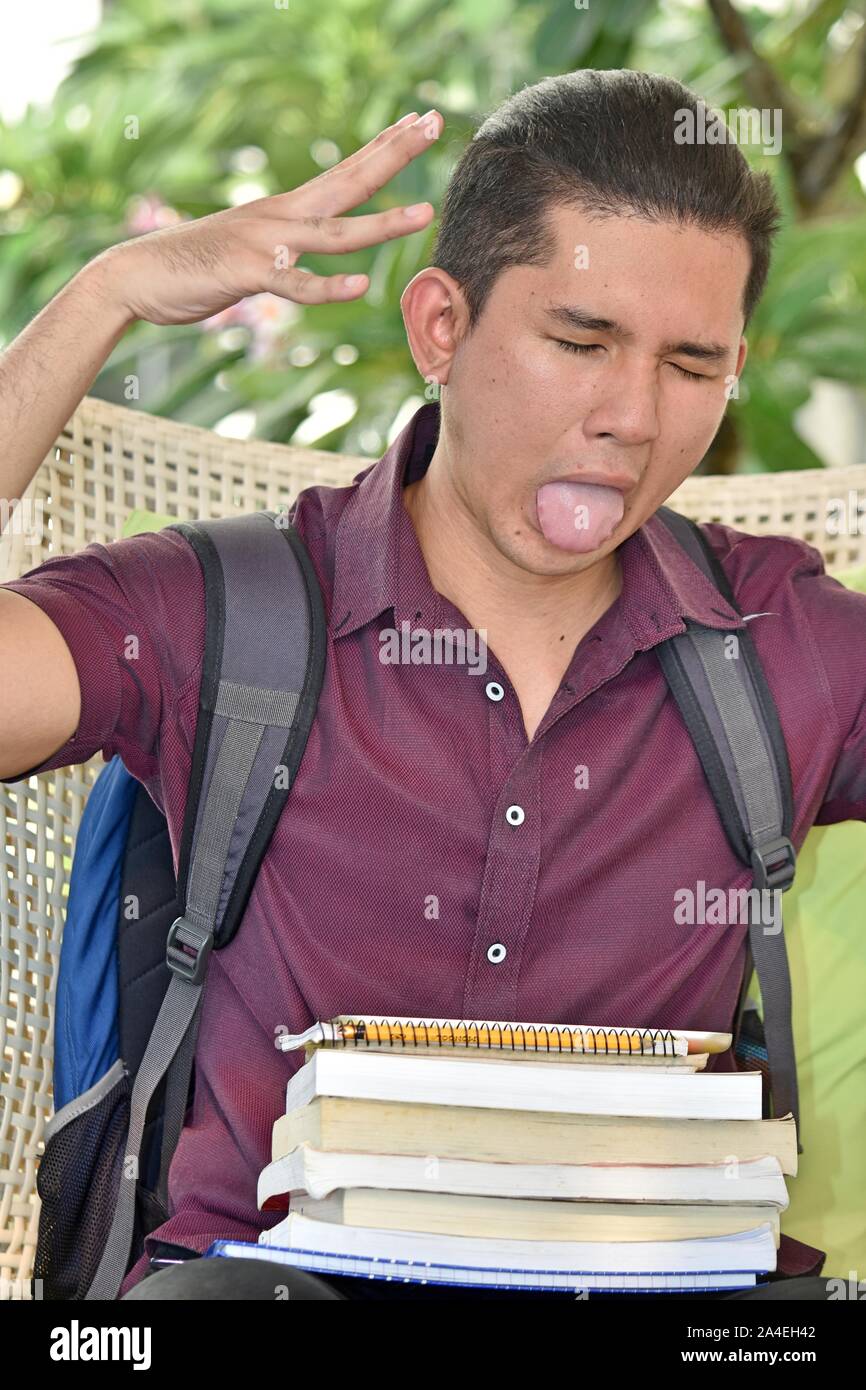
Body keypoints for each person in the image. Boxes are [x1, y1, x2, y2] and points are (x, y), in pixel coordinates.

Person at [1, 70, 862, 1302]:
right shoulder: (223, 613)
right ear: (440, 328)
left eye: (691, 364)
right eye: (578, 341)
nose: (630, 416)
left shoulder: (782, 637)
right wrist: (105, 296)